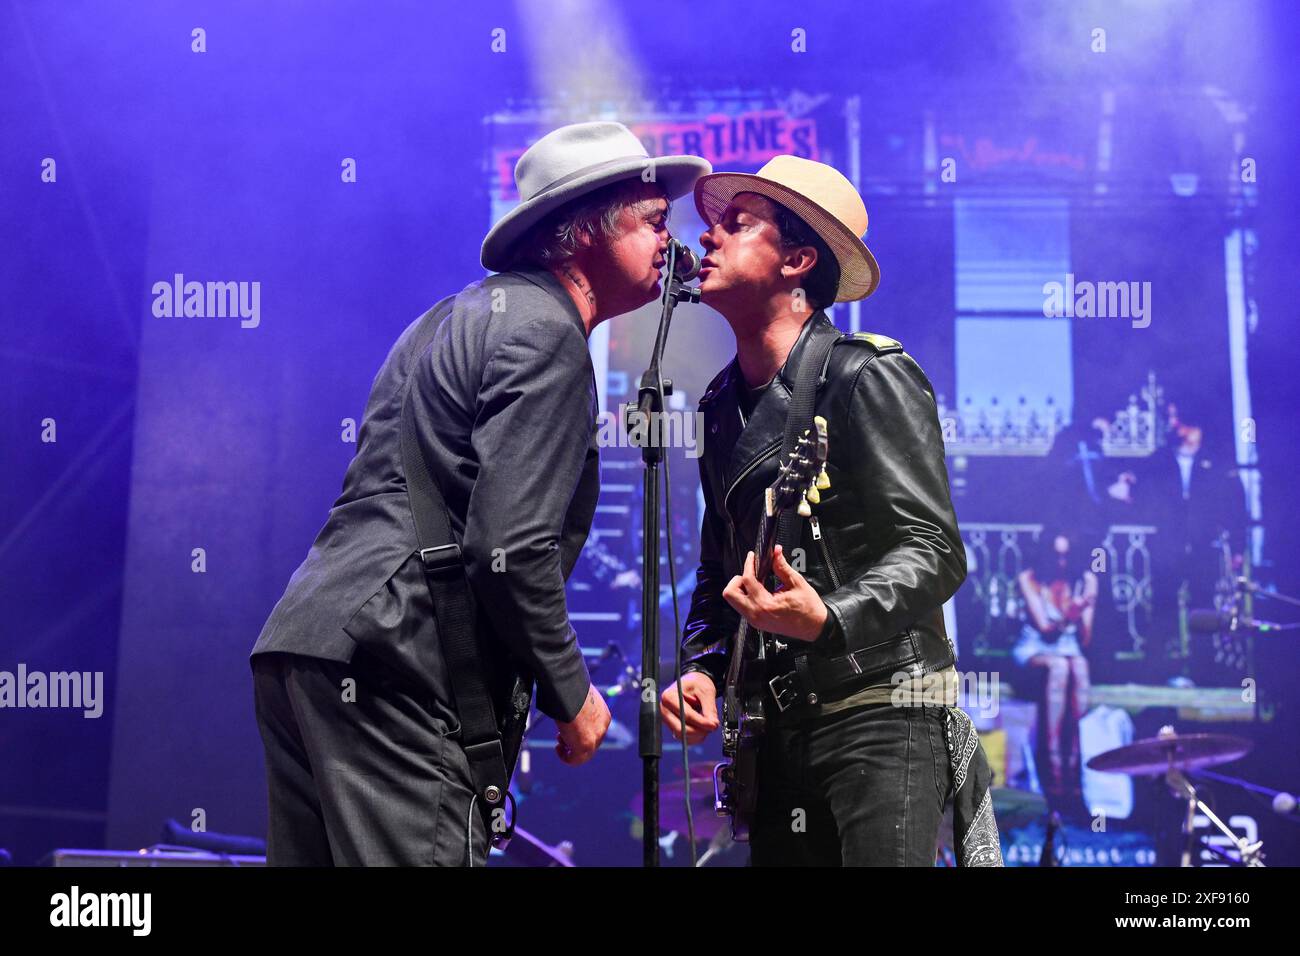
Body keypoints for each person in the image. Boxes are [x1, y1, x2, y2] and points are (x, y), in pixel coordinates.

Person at [250, 122, 710, 865]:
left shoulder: (445, 318)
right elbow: (509, 548)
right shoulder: (548, 335)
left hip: (309, 646)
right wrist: (573, 693)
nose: (670, 241)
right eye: (654, 220)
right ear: (582, 231)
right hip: (398, 661)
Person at [659, 155, 1001, 866]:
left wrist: (831, 617)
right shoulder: (718, 406)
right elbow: (718, 572)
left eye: (738, 224)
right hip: (779, 733)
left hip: (883, 716)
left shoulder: (866, 374)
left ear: (798, 262)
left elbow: (934, 548)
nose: (708, 236)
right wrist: (704, 669)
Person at [1014, 525, 1097, 811]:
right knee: (1060, 667)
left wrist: (1081, 614)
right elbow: (1045, 629)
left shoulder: (1085, 580)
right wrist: (1069, 615)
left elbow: (1085, 640)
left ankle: (1074, 763)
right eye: (1056, 555)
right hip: (1035, 647)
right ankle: (1054, 768)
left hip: (1070, 649)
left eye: (1066, 556)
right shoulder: (1029, 578)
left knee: (1080, 667)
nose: (1061, 562)